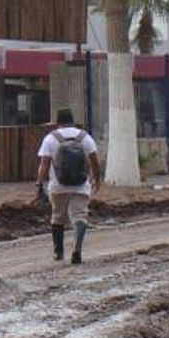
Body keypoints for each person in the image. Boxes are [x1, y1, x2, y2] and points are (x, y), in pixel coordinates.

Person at [36, 109, 100, 264]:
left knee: (58, 217)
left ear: (58, 122)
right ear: (73, 120)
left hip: (58, 186)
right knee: (79, 216)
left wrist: (39, 183)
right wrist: (97, 179)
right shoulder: (85, 137)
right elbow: (94, 161)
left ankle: (58, 252)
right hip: (81, 185)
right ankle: (77, 247)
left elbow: (44, 164)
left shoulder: (51, 138)